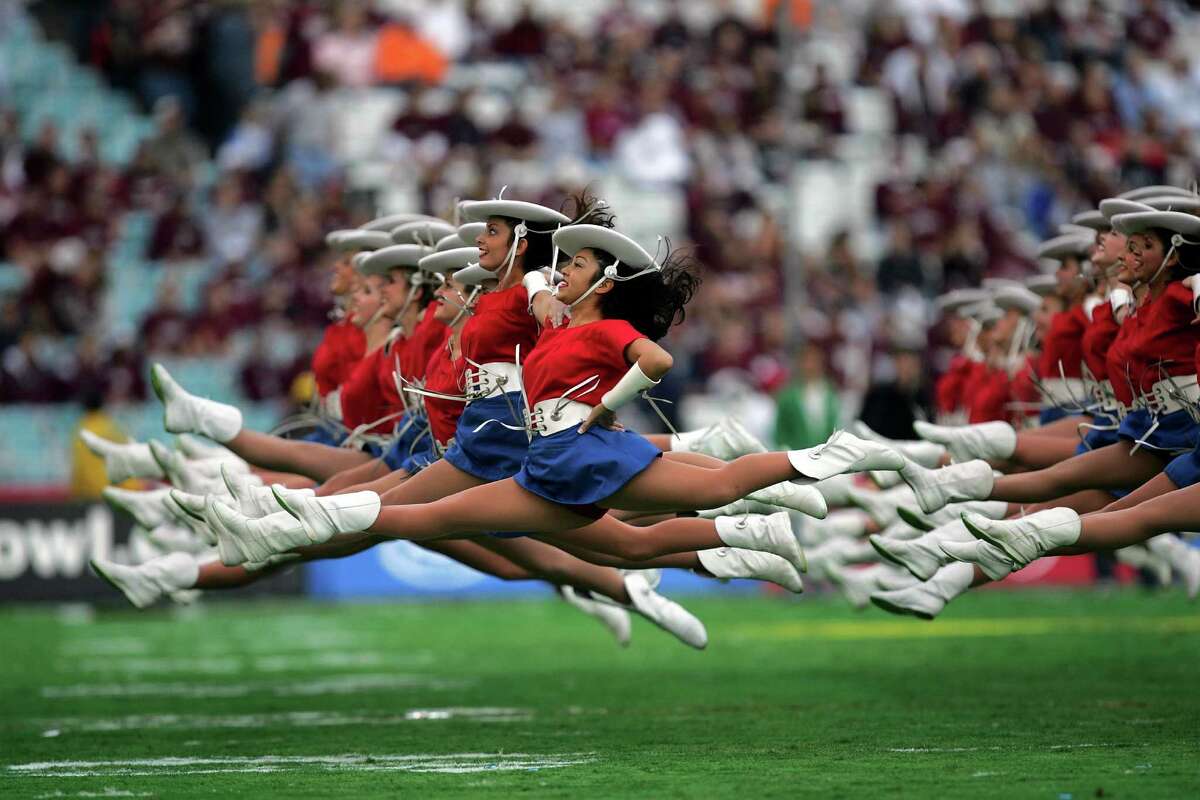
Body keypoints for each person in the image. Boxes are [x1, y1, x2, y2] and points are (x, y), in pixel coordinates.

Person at [201, 223, 904, 570]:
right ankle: (753, 532)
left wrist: (607, 403)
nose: (563, 271)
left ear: (604, 280)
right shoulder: (556, 317)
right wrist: (536, 288)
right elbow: (527, 295)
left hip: (586, 450)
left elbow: (655, 359)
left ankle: (826, 456)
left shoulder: (610, 325)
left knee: (718, 485)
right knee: (621, 550)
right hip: (547, 462)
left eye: (579, 264)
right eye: (561, 262)